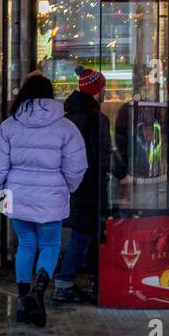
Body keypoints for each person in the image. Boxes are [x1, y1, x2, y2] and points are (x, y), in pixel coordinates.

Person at [0, 72, 87, 327]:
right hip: (51, 196)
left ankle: (22, 301)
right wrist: (67, 188)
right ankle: (38, 294)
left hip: (16, 197)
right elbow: (76, 166)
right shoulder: (66, 127)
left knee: (26, 245)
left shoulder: (9, 126)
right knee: (50, 245)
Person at [54, 67, 125, 303]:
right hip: (90, 186)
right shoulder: (97, 119)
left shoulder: (67, 116)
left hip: (70, 184)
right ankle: (64, 283)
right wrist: (121, 172)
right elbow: (103, 157)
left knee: (88, 233)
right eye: (103, 88)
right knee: (84, 234)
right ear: (98, 91)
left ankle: (95, 277)